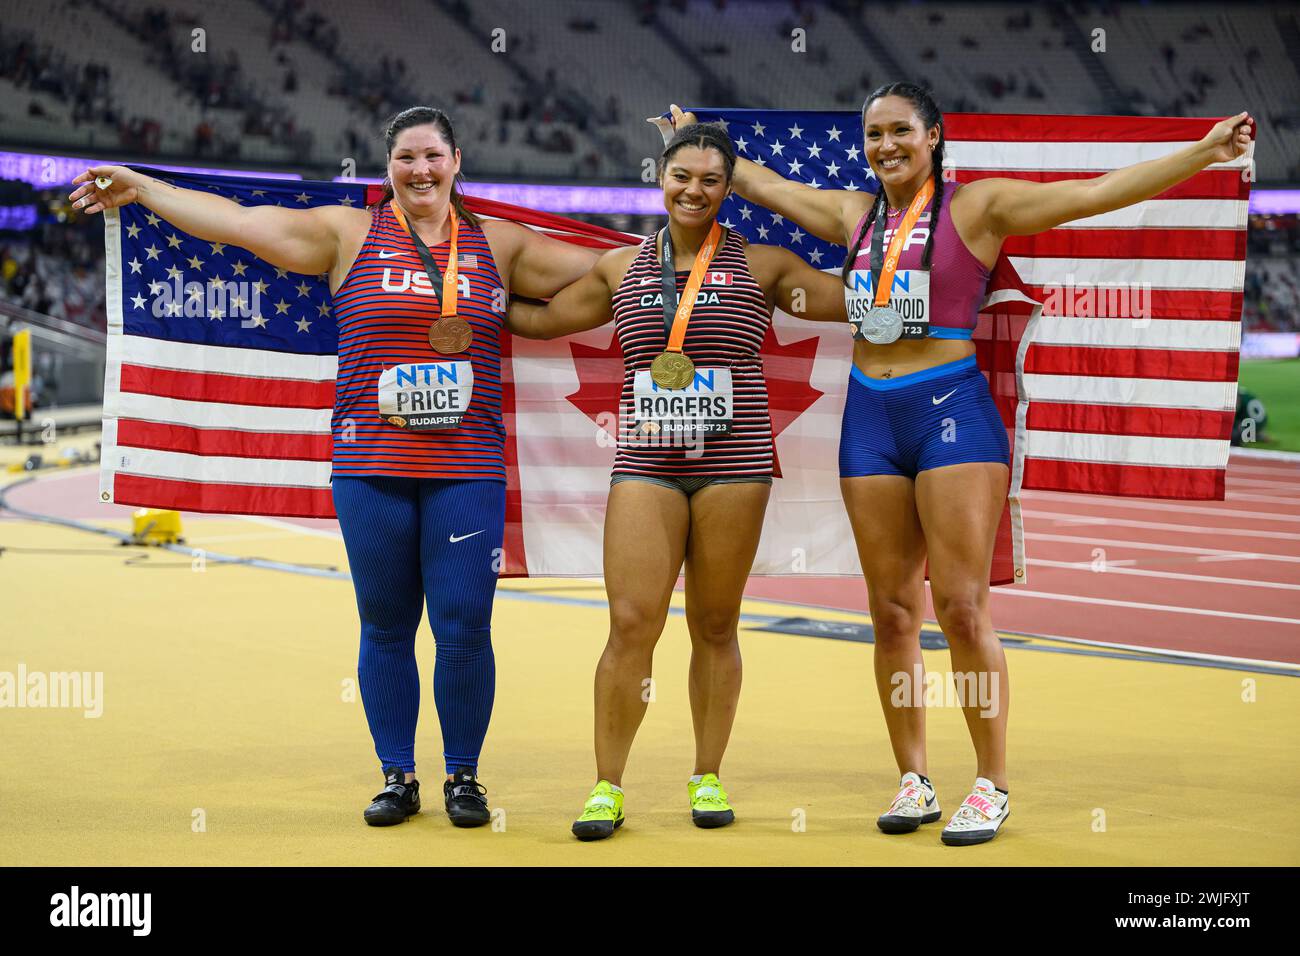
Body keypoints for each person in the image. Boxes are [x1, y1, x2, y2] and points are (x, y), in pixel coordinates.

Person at [657, 88, 1252, 845]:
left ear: (933, 136)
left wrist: (1203, 153)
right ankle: (913, 779)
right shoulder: (852, 215)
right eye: (873, 134)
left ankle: (991, 783)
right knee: (893, 613)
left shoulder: (980, 209)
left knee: (963, 610)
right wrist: (695, 134)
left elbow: (1094, 194)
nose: (885, 146)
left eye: (900, 131)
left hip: (951, 413)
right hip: (869, 416)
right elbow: (761, 183)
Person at [70, 106, 601, 828]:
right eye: (406, 158)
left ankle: (464, 778)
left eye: (432, 157)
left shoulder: (498, 245)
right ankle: (398, 775)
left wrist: (695, 258)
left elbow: (608, 274)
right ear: (388, 167)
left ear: (457, 161)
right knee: (385, 626)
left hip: (467, 469)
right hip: (370, 466)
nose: (420, 170)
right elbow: (233, 220)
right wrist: (141, 186)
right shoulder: (348, 234)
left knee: (465, 625)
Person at [507, 123, 847, 840]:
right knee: (632, 624)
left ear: (729, 188)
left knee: (715, 625)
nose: (694, 190)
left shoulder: (766, 266)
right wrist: (447, 307)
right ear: (658, 179)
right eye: (681, 177)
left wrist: (937, 278)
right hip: (647, 465)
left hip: (736, 465)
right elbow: (540, 323)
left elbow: (858, 304)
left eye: (711, 180)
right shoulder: (617, 268)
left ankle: (707, 774)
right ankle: (606, 786)